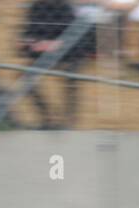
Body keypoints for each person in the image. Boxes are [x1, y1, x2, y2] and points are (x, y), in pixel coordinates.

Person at [19, 0, 97, 129]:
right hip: (44, 52)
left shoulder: (63, 6)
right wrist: (31, 43)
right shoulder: (36, 7)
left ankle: (69, 120)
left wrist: (43, 44)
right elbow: (27, 35)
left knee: (71, 76)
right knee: (26, 77)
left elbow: (71, 38)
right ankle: (47, 117)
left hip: (70, 53)